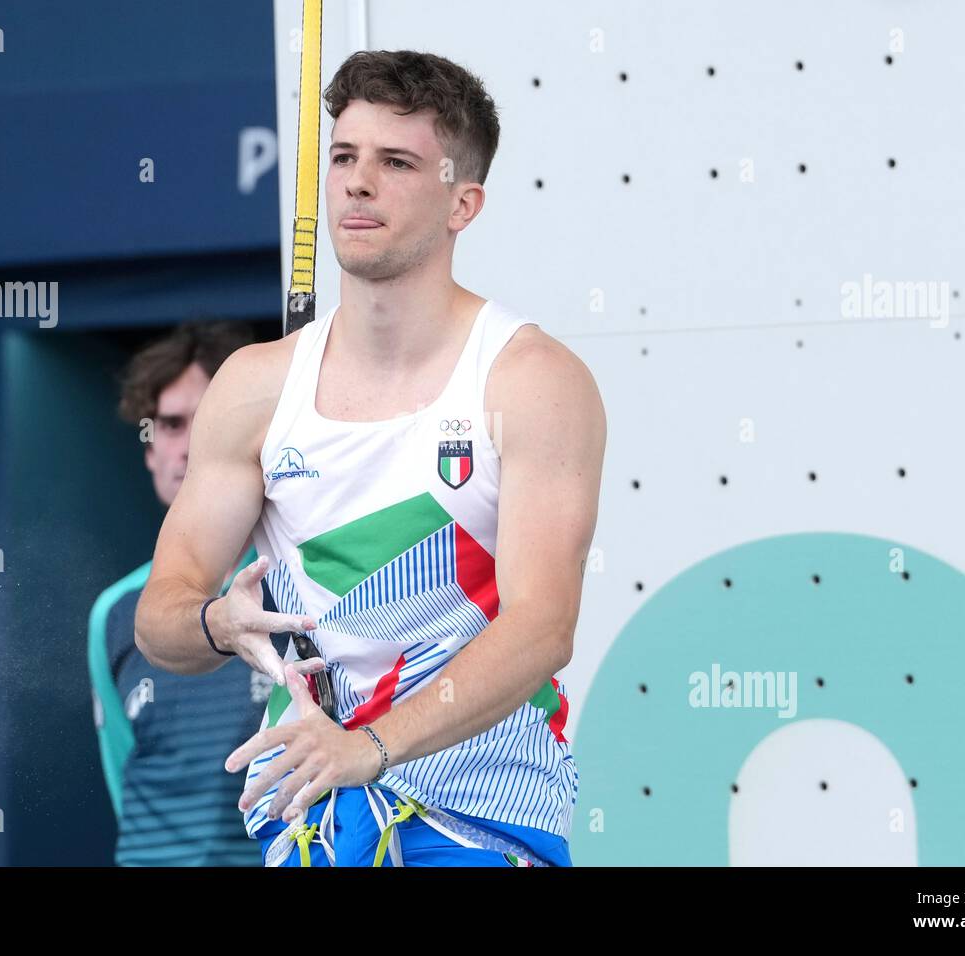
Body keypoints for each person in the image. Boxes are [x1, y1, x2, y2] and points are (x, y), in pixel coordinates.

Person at [135, 50, 606, 867]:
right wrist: (215, 622)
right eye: (345, 157)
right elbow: (160, 616)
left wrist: (374, 747)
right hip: (315, 818)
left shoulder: (532, 380)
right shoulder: (256, 386)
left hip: (481, 815)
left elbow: (544, 627)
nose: (357, 182)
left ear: (464, 202)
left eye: (396, 162)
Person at [88, 320, 273, 866]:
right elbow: (124, 768)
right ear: (147, 448)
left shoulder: (300, 579)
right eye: (170, 424)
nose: (191, 445)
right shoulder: (115, 612)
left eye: (210, 420)